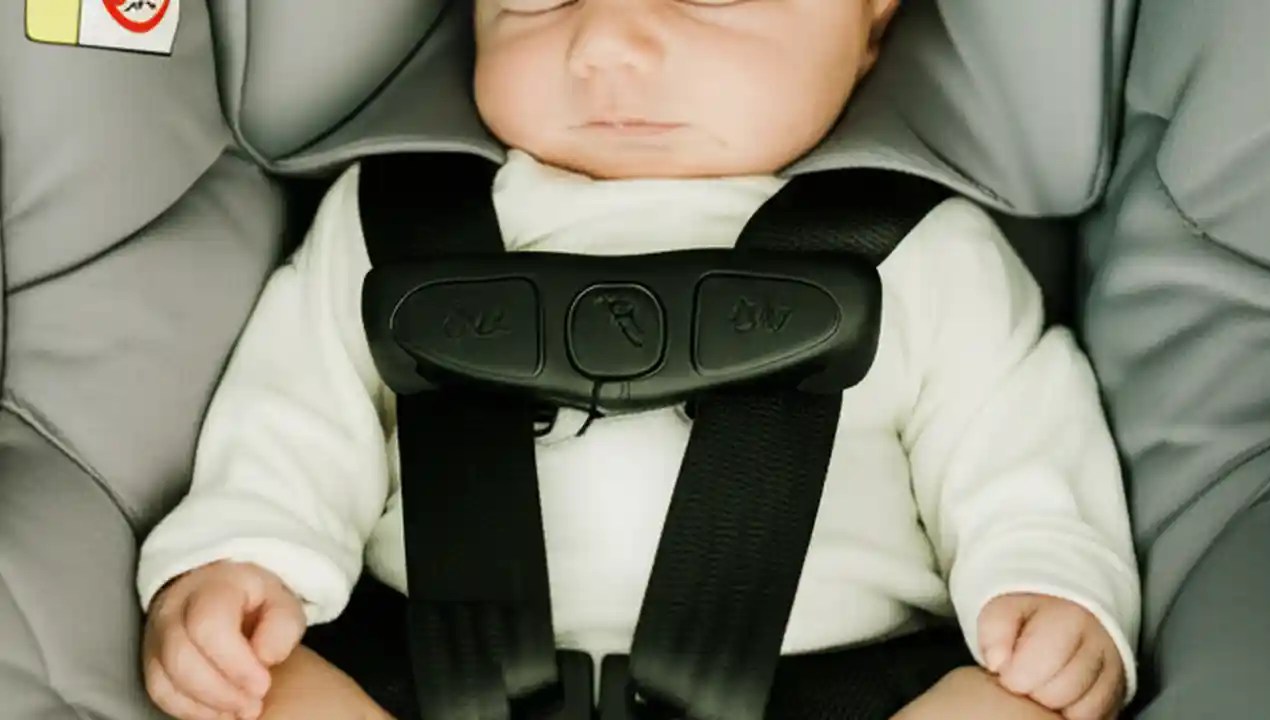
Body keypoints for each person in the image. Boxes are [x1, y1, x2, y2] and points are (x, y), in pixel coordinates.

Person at [135, 1, 1141, 718]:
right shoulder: (396, 223)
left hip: (833, 682)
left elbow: (1017, 447)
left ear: (873, 16)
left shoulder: (924, 247)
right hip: (426, 671)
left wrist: (1044, 587)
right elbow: (290, 420)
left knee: (1013, 701)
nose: (604, 42)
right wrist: (246, 559)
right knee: (260, 685)